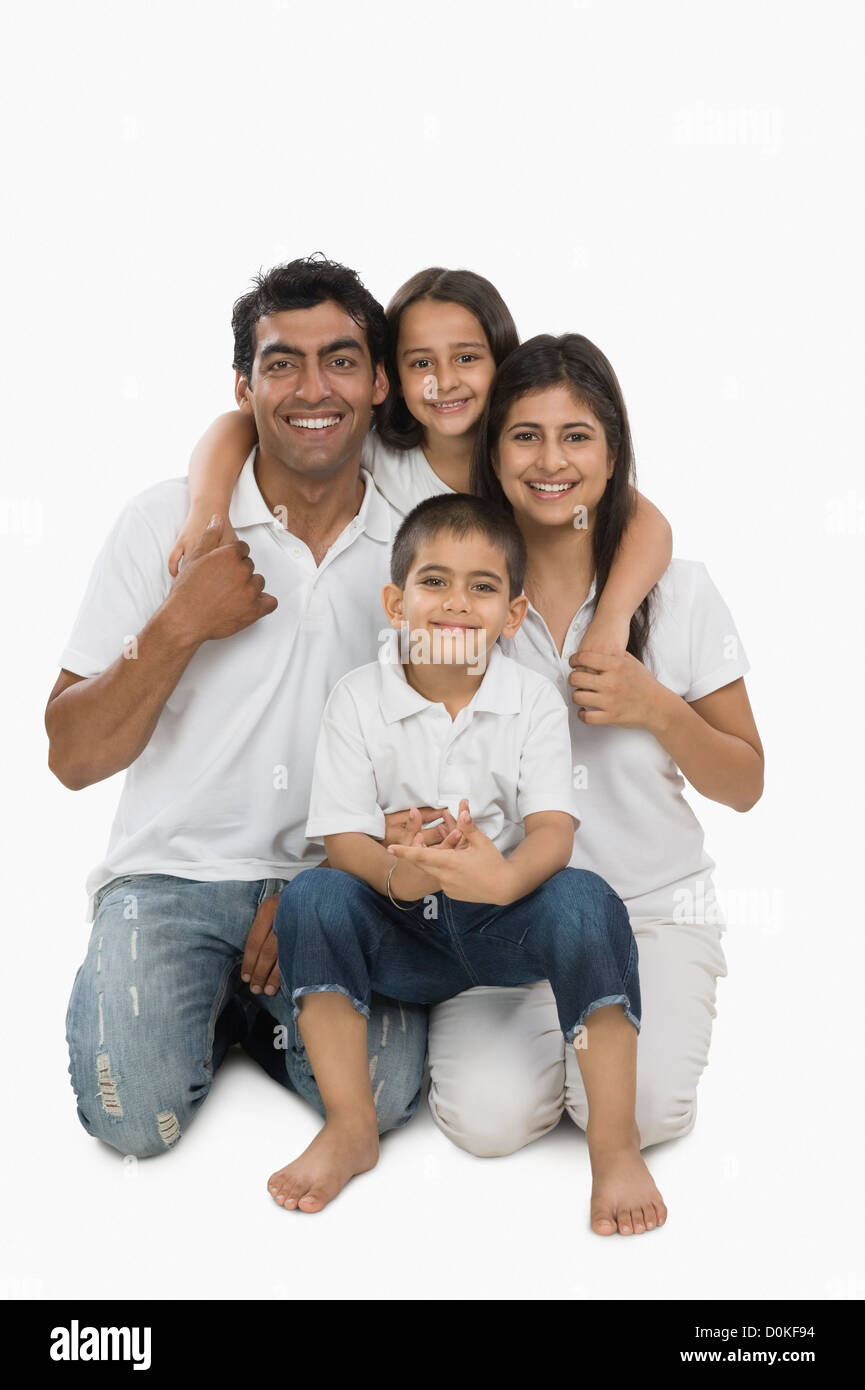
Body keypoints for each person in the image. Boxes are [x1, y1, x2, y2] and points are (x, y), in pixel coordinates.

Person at [46, 256, 430, 1157]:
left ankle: (258, 1016)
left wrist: (318, 894)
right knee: (133, 1119)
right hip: (171, 877)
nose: (311, 388)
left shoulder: (421, 535)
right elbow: (70, 757)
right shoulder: (165, 522)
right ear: (243, 386)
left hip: (337, 880)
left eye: (340, 361)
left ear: (378, 384)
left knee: (384, 1099)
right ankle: (206, 1004)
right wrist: (179, 624)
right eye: (280, 363)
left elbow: (438, 747)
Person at [267, 494, 665, 1237]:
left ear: (511, 616)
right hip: (402, 931)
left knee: (584, 901)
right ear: (395, 601)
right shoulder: (356, 699)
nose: (457, 603)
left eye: (483, 587)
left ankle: (614, 1145)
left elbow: (551, 830)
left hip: (499, 925)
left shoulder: (532, 703)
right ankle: (351, 1125)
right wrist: (399, 874)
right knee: (313, 897)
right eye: (434, 582)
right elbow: (343, 838)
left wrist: (502, 879)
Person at [422, 334, 764, 1168]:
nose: (551, 461)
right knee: (487, 1123)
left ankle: (605, 1069)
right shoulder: (459, 597)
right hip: (510, 917)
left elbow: (746, 783)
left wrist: (656, 709)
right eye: (524, 435)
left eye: (577, 436)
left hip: (652, 910)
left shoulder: (677, 593)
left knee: (644, 1116)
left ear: (613, 454)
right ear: (493, 454)